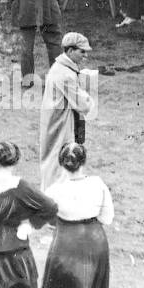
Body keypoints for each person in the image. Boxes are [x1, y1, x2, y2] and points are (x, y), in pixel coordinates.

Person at [0, 141, 58, 288]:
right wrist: (31, 224)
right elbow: (50, 207)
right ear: (14, 161)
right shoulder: (20, 186)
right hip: (16, 255)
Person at [40, 142, 113, 288]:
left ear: (61, 163)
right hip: (95, 242)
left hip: (66, 243)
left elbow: (46, 218)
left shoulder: (54, 190)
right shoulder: (97, 184)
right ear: (84, 161)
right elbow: (107, 218)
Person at [38, 33, 96, 189]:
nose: (85, 55)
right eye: (82, 51)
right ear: (70, 51)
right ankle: (52, 197)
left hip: (54, 118)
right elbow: (83, 105)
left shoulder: (61, 67)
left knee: (53, 157)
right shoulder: (65, 73)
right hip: (60, 122)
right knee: (58, 158)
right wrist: (89, 98)